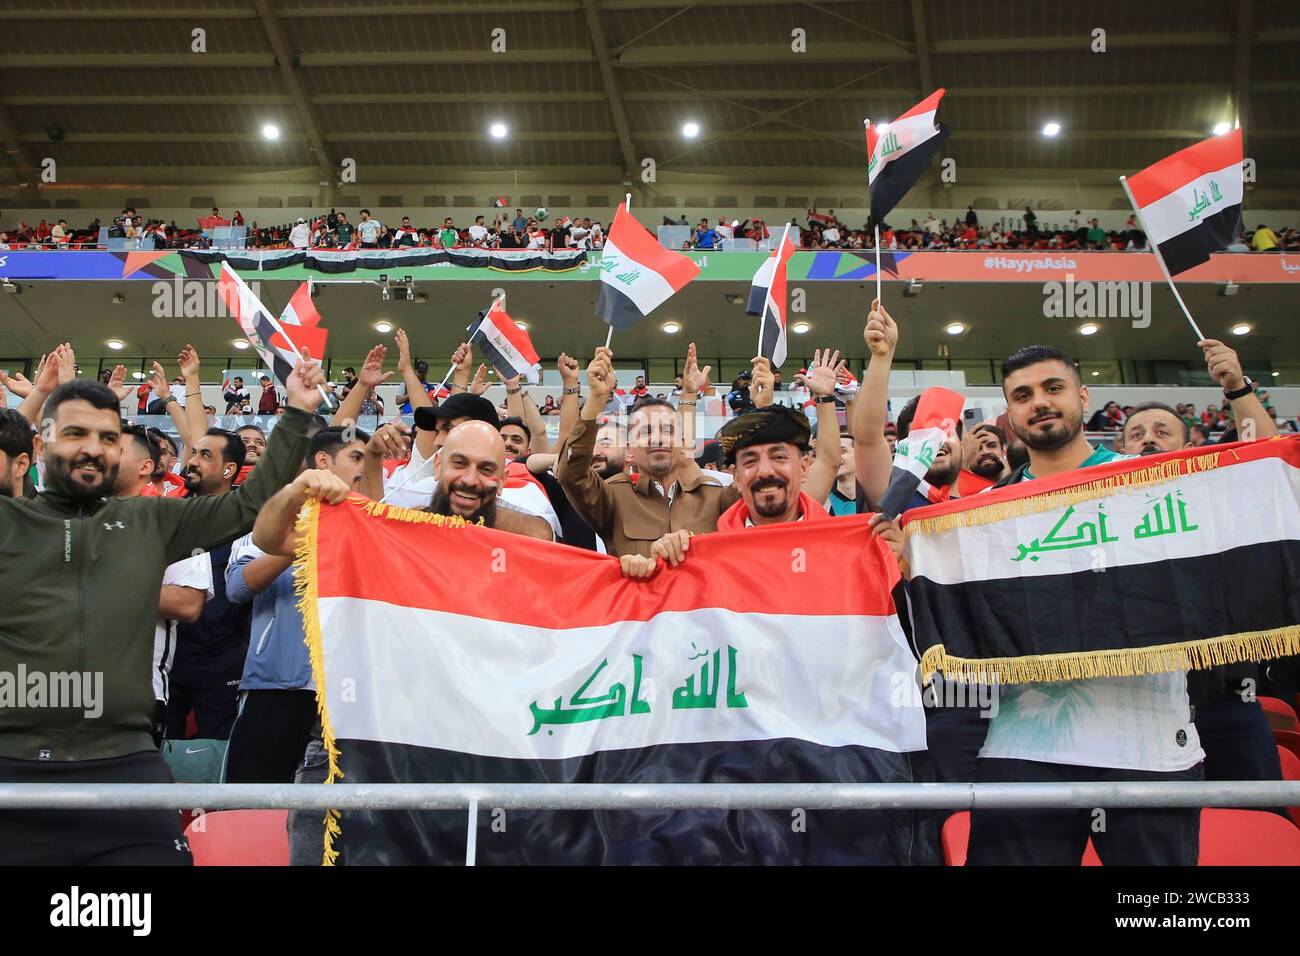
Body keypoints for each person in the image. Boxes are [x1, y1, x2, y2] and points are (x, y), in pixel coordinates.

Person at [0, 354, 325, 865]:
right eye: (75, 434)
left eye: (108, 439)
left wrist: (296, 415)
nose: (93, 448)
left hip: (124, 761)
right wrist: (35, 397)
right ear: (41, 444)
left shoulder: (151, 520)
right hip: (11, 763)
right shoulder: (9, 523)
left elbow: (247, 505)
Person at [966, 345, 1206, 866]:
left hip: (1147, 747)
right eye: (1023, 396)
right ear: (1011, 415)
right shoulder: (983, 515)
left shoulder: (1161, 483)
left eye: (1053, 389)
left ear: (1083, 396)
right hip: (1024, 749)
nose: (1040, 404)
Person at [223, 426, 370, 784]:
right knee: (253, 805)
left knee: (335, 814)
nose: (363, 468)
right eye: (356, 457)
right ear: (323, 462)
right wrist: (299, 542)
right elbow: (237, 587)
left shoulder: (367, 525)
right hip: (276, 686)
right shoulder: (269, 521)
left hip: (346, 693)